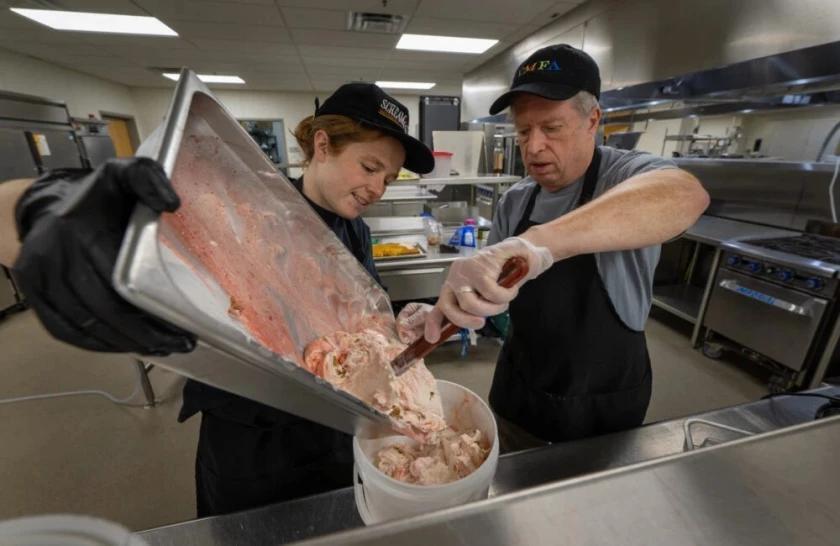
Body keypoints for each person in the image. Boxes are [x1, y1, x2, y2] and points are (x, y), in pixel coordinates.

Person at [0, 83, 434, 516]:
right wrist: (41, 206)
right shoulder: (246, 210)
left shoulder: (356, 229)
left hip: (336, 432)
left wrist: (395, 329)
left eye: (388, 179)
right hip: (255, 442)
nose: (378, 188)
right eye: (370, 167)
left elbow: (361, 314)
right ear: (323, 145)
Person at [404, 44, 710, 450]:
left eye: (551, 128)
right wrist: (445, 312)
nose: (533, 147)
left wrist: (538, 244)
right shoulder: (517, 200)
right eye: (523, 131)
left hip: (602, 403)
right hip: (520, 390)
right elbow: (490, 297)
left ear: (592, 120)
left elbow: (685, 194)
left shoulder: (623, 176)